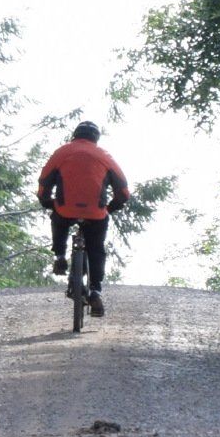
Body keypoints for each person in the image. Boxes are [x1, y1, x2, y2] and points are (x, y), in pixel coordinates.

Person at [37, 121, 131, 316]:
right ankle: (95, 291)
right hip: (96, 213)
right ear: (96, 138)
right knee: (96, 249)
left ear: (75, 135)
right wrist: (109, 208)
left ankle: (60, 256)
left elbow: (44, 181)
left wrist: (47, 201)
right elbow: (123, 191)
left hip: (65, 209)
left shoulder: (62, 152)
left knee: (59, 218)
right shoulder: (104, 156)